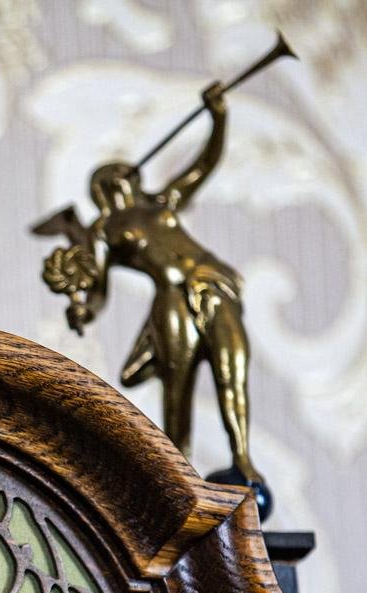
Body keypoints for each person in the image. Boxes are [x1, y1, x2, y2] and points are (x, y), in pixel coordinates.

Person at [62, 84, 263, 488]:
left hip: (212, 282)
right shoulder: (105, 229)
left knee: (232, 369)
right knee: (179, 384)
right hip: (171, 298)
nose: (123, 177)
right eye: (112, 176)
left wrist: (218, 117)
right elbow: (100, 289)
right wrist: (84, 308)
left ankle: (243, 459)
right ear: (103, 191)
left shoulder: (162, 202)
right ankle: (181, 473)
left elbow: (203, 166)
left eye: (124, 171)